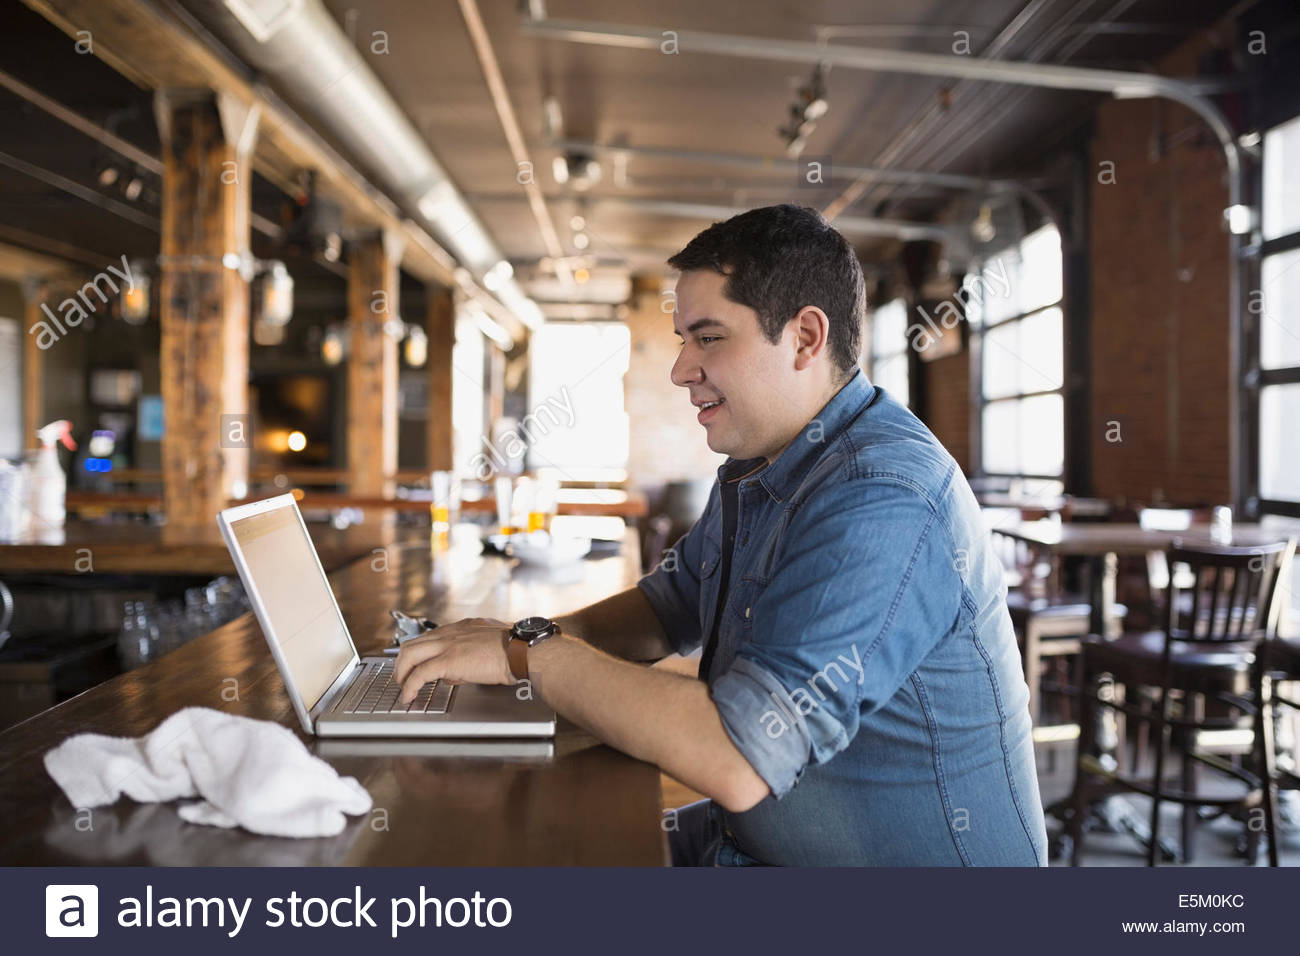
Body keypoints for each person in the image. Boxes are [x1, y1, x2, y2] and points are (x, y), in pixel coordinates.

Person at [396, 203, 1048, 866]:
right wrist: (508, 654)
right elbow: (665, 607)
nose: (680, 369)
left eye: (708, 338)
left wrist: (534, 655)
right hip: (752, 850)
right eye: (682, 338)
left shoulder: (883, 494)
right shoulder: (767, 462)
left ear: (804, 339)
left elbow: (740, 754)